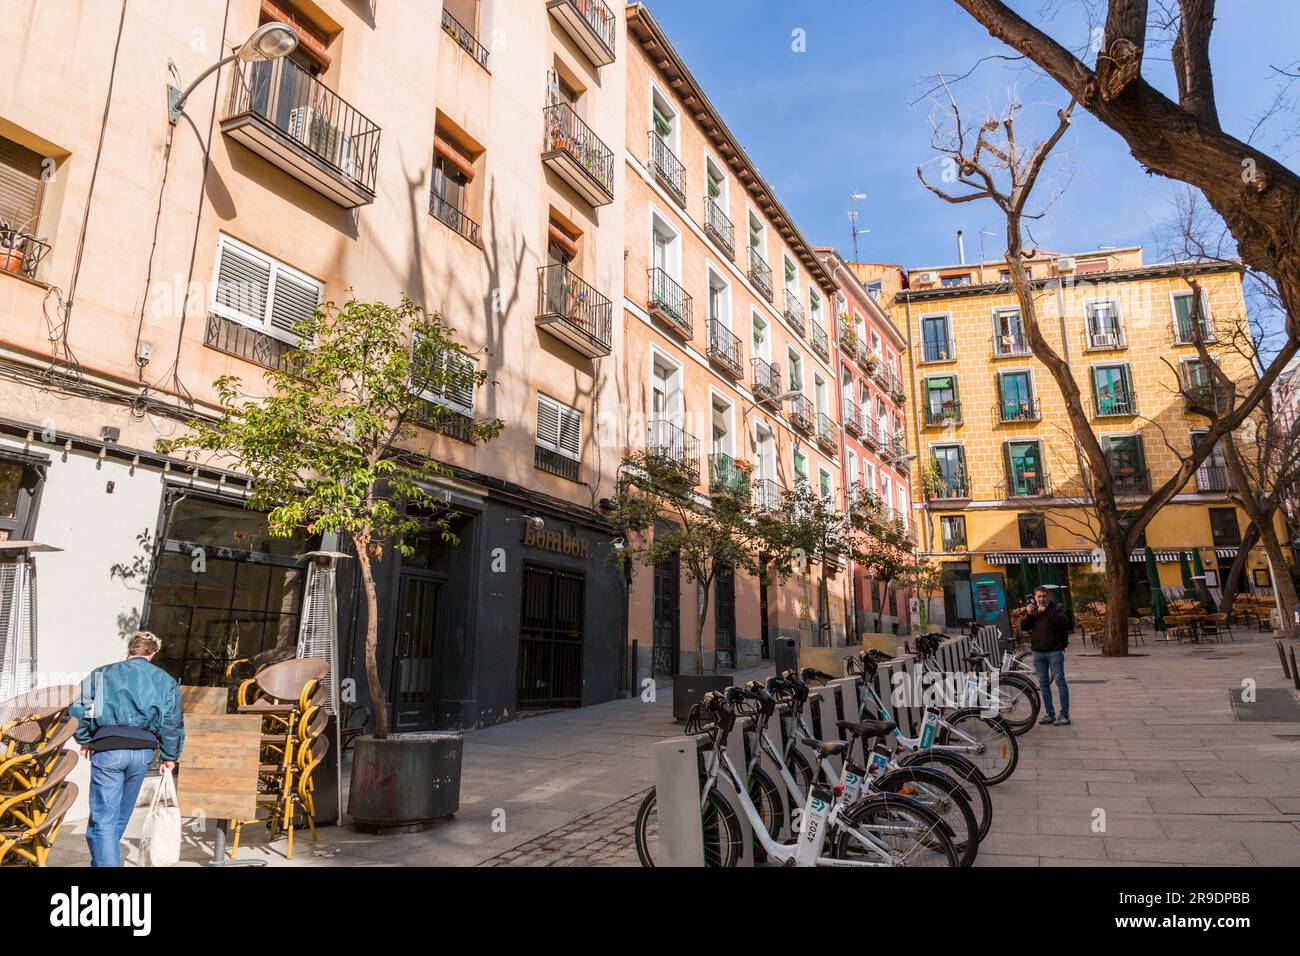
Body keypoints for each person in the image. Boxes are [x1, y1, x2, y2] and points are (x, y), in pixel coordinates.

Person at [68, 631, 185, 867]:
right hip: (143, 753)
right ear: (152, 653)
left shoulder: (103, 673)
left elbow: (78, 706)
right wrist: (170, 756)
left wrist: (85, 738)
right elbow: (172, 720)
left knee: (104, 818)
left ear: (128, 650)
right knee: (120, 815)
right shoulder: (166, 680)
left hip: (109, 749)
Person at [1020, 586, 1071, 726]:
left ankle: (1064, 715)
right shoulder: (1033, 611)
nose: (1041, 599)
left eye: (1043, 596)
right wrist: (1028, 614)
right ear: (1035, 597)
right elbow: (1023, 627)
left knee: (1060, 682)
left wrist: (1047, 611)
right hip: (1038, 652)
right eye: (1039, 596)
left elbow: (1064, 622)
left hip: (1054, 651)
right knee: (1043, 684)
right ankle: (1050, 714)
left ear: (1048, 596)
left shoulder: (1056, 608)